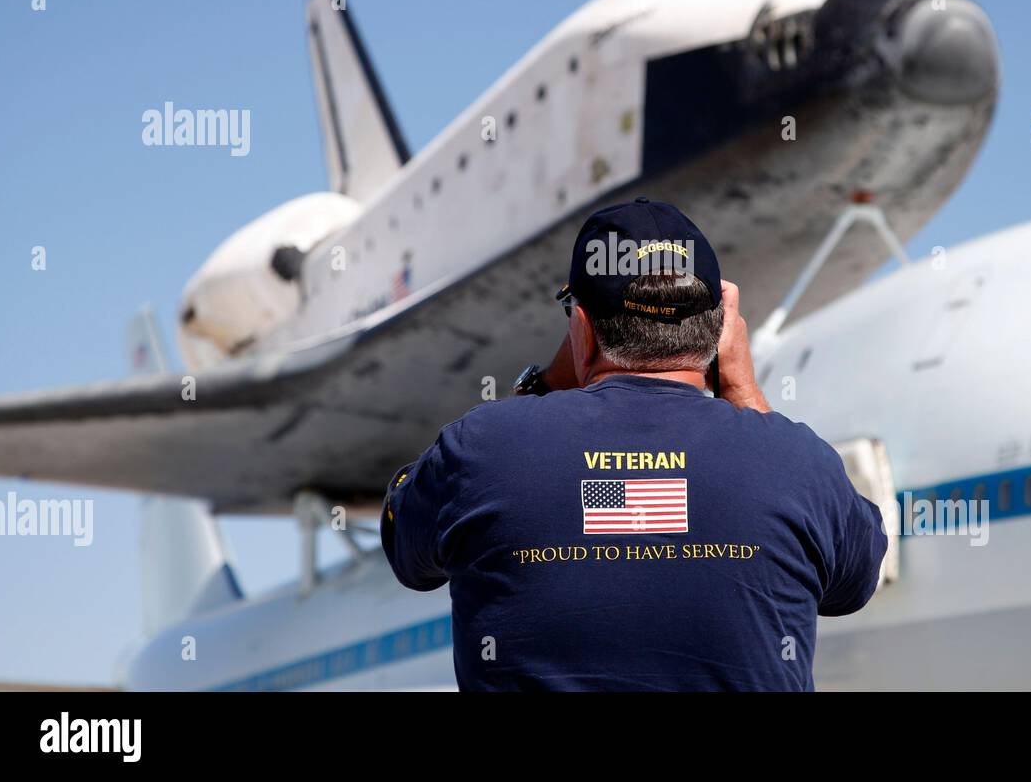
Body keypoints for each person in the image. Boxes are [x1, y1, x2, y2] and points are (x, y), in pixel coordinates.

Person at [381, 197, 888, 690]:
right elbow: (856, 581)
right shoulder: (796, 465)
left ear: (582, 328)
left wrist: (543, 388)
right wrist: (744, 393)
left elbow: (406, 550)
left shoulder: (483, 448)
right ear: (721, 332)